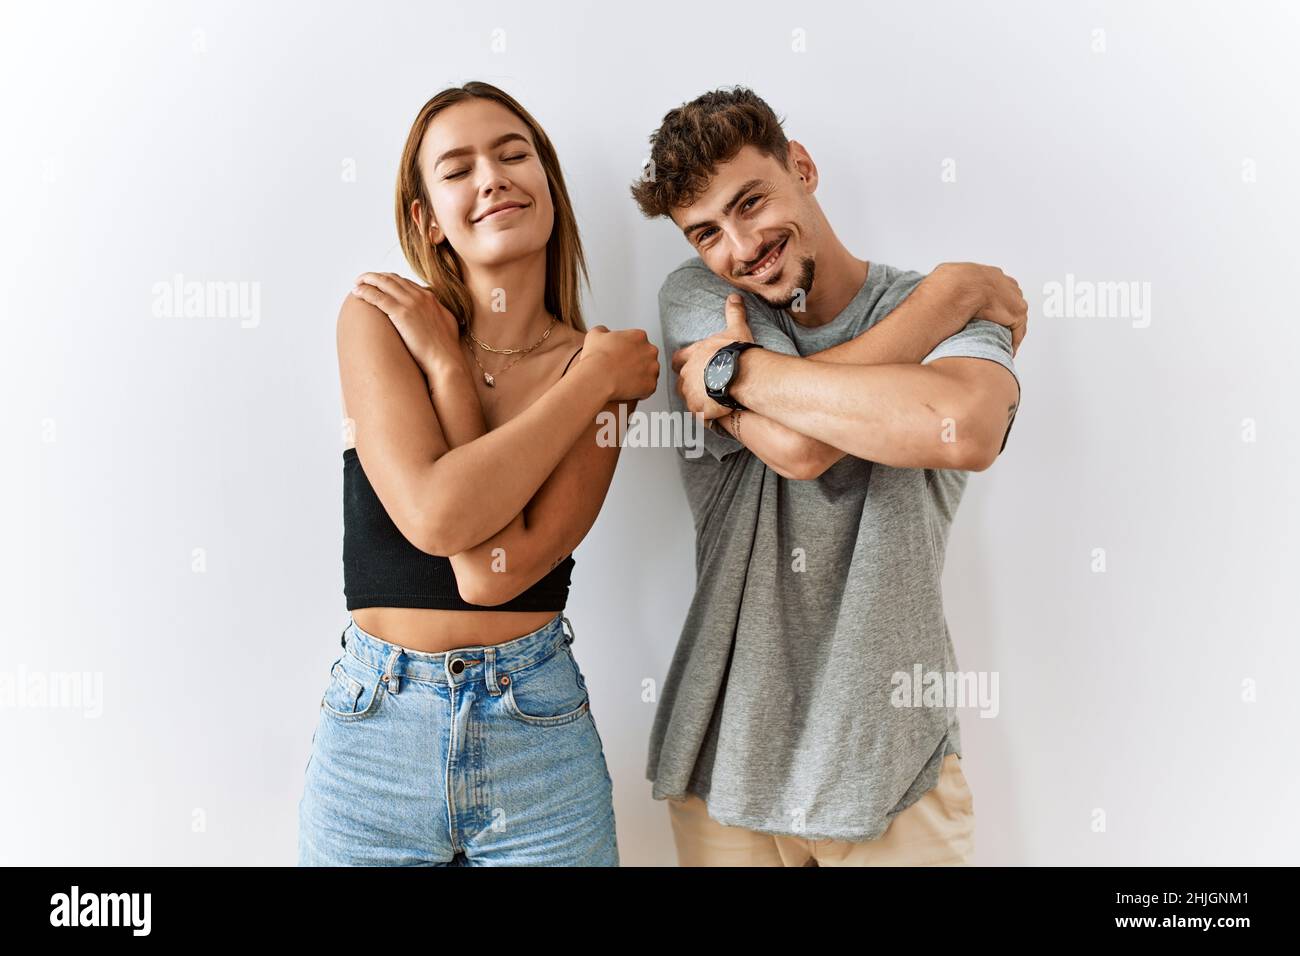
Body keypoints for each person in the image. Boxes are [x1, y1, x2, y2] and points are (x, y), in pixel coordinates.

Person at [629, 86, 1027, 866]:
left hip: (893, 765)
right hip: (726, 759)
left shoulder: (940, 309)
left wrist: (736, 379)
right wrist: (945, 299)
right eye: (707, 231)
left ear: (802, 168)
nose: (741, 248)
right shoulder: (701, 295)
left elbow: (968, 428)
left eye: (751, 203)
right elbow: (800, 452)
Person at [298, 81, 659, 866]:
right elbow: (435, 516)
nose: (491, 177)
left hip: (537, 739)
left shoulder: (598, 365)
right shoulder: (383, 319)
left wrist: (590, 378)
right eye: (457, 169)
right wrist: (451, 364)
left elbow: (493, 576)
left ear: (549, 191)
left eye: (512, 154)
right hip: (374, 740)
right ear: (428, 220)